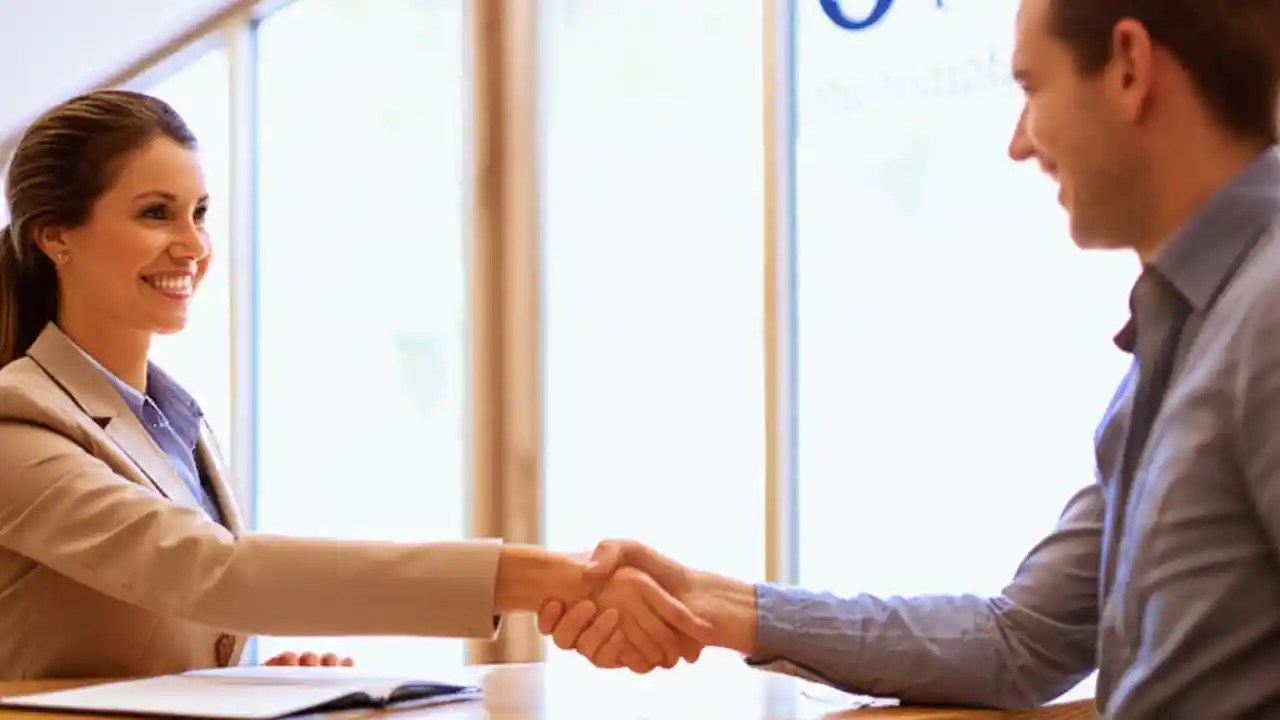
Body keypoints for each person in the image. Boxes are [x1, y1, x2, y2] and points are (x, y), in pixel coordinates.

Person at [539, 0, 1280, 716]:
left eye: (1031, 86)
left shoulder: (1265, 316)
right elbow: (1019, 642)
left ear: (1128, 67)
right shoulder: (1181, 341)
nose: (1019, 143)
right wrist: (717, 604)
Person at [0, 89, 712, 680]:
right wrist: (549, 578)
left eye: (201, 213)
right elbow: (215, 572)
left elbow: (169, 630)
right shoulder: (17, 428)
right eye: (156, 213)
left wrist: (254, 683)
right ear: (55, 236)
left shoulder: (174, 422)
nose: (193, 244)